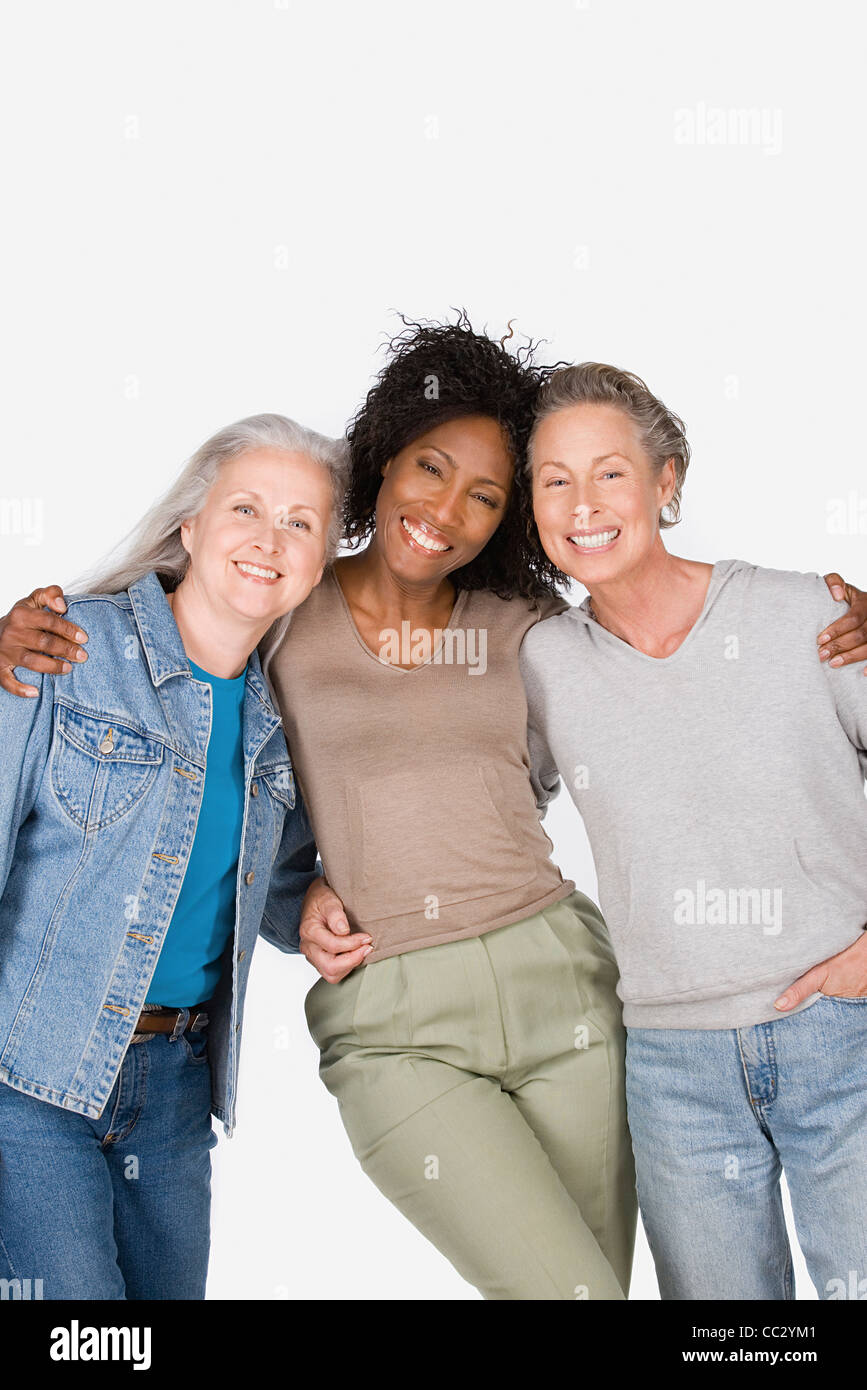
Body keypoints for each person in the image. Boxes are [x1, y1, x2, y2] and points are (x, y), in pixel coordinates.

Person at [4, 323, 866, 1301]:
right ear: (382, 457)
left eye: (489, 496)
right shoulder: (283, 606)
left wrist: (823, 625)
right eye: (430, 467)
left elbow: (680, 688)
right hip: (393, 1017)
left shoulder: (534, 634)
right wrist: (24, 637)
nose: (447, 509)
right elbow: (177, 692)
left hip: (568, 991)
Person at [519, 362, 867, 1300]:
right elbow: (476, 801)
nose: (581, 504)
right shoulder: (542, 662)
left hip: (844, 1030)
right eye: (553, 480)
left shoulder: (810, 616)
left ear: (665, 482)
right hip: (673, 1067)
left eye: (609, 473)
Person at [0, 413, 345, 1299]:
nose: (269, 541)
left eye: (300, 524)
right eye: (245, 509)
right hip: (30, 1076)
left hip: (175, 1093)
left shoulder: (281, 724)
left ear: (320, 562)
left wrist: (306, 906)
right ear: (190, 525)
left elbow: (257, 887)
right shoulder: (62, 646)